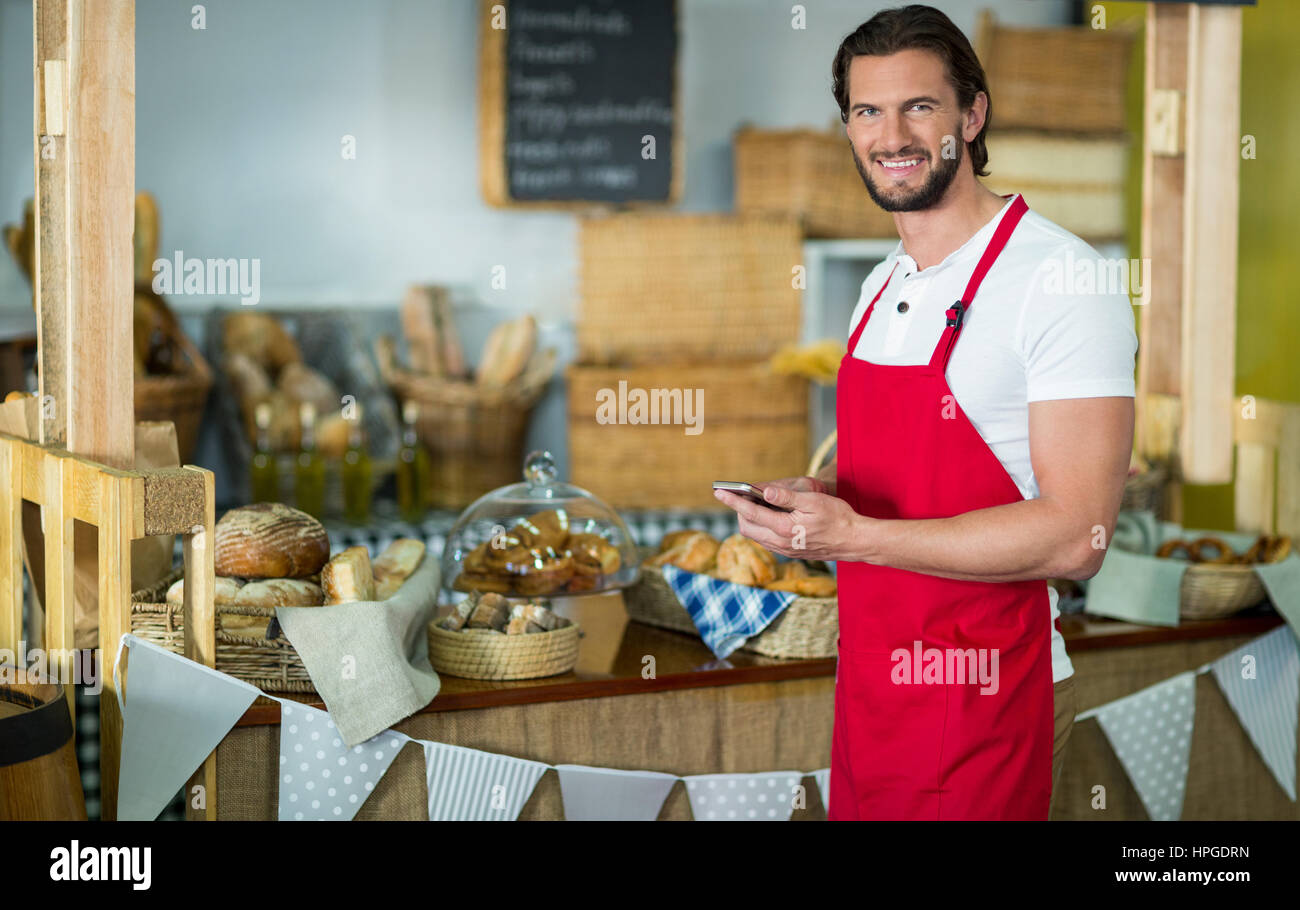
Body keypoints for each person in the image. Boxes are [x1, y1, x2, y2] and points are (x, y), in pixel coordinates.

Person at [713, 4, 1137, 820]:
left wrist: (854, 537)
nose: (891, 135)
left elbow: (1077, 537)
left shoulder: (1059, 278)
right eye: (867, 111)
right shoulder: (880, 286)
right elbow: (898, 477)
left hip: (990, 697)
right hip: (874, 692)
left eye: (920, 106)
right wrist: (815, 497)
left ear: (972, 115)